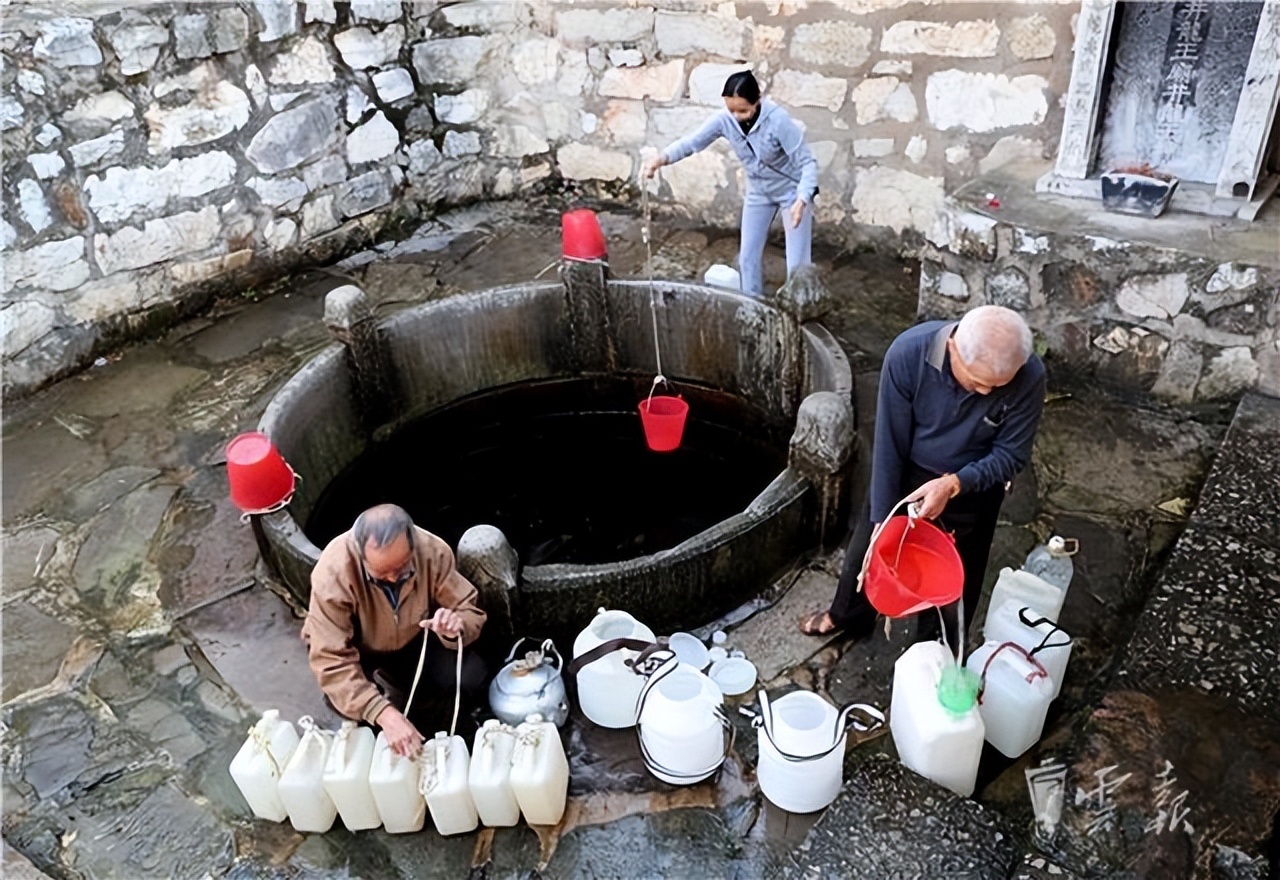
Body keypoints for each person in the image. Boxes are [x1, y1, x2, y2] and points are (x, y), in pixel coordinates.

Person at [799, 306, 1046, 653]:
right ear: (952, 348)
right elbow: (889, 443)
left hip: (974, 481)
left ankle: (934, 651)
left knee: (955, 580)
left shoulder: (1029, 374)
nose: (985, 393)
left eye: (996, 387)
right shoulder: (908, 354)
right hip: (910, 469)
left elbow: (1011, 454)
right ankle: (847, 615)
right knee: (868, 549)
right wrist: (883, 517)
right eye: (977, 382)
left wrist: (954, 484)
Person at [302, 503, 487, 757]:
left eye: (402, 569)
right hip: (362, 648)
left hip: (416, 637)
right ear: (360, 556)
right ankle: (378, 719)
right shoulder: (333, 574)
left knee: (471, 674)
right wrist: (382, 712)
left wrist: (455, 627)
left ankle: (426, 707)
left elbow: (469, 610)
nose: (392, 579)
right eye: (381, 574)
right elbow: (331, 660)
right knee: (351, 705)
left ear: (413, 546)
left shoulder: (432, 551)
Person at [641, 70, 818, 298]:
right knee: (747, 256)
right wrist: (661, 159)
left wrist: (803, 198)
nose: (736, 116)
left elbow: (807, 162)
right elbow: (692, 142)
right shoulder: (725, 120)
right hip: (759, 191)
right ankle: (751, 303)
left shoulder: (778, 120)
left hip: (792, 192)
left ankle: (799, 306)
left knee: (797, 263)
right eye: (731, 110)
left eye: (743, 110)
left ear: (757, 101)